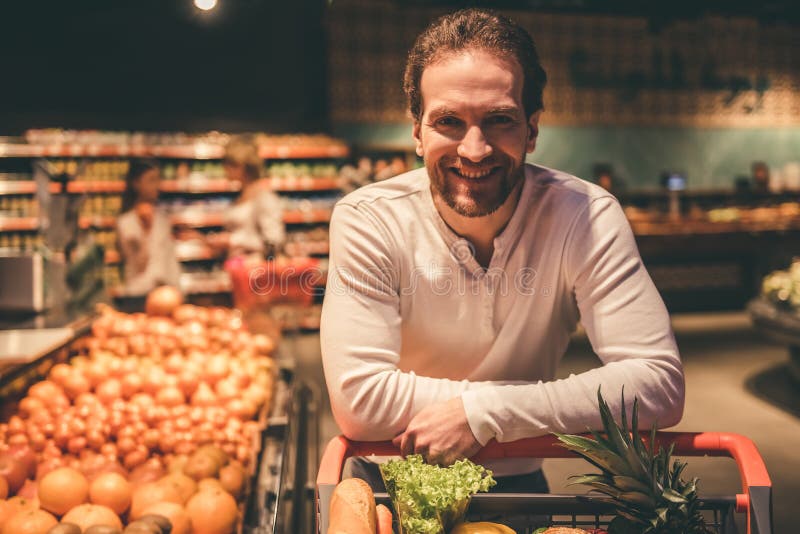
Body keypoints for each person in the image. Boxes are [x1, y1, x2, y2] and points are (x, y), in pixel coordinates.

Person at [320, 8, 684, 492]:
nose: (474, 150)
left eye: (499, 120)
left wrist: (483, 412)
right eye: (448, 121)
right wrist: (535, 405)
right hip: (389, 481)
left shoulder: (586, 216)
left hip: (518, 481)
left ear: (532, 130)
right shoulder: (370, 218)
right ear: (417, 131)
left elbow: (657, 385)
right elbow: (361, 403)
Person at [215, 135, 285, 260]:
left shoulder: (265, 198)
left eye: (229, 163)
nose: (224, 168)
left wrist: (233, 240)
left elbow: (274, 243)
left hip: (254, 274)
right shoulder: (241, 195)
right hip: (237, 271)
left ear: (242, 166)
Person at [116, 159, 181, 295]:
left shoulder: (162, 218)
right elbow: (140, 263)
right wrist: (146, 230)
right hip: (140, 294)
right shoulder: (126, 222)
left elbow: (169, 261)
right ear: (136, 183)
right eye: (151, 180)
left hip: (167, 292)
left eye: (158, 179)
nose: (157, 185)